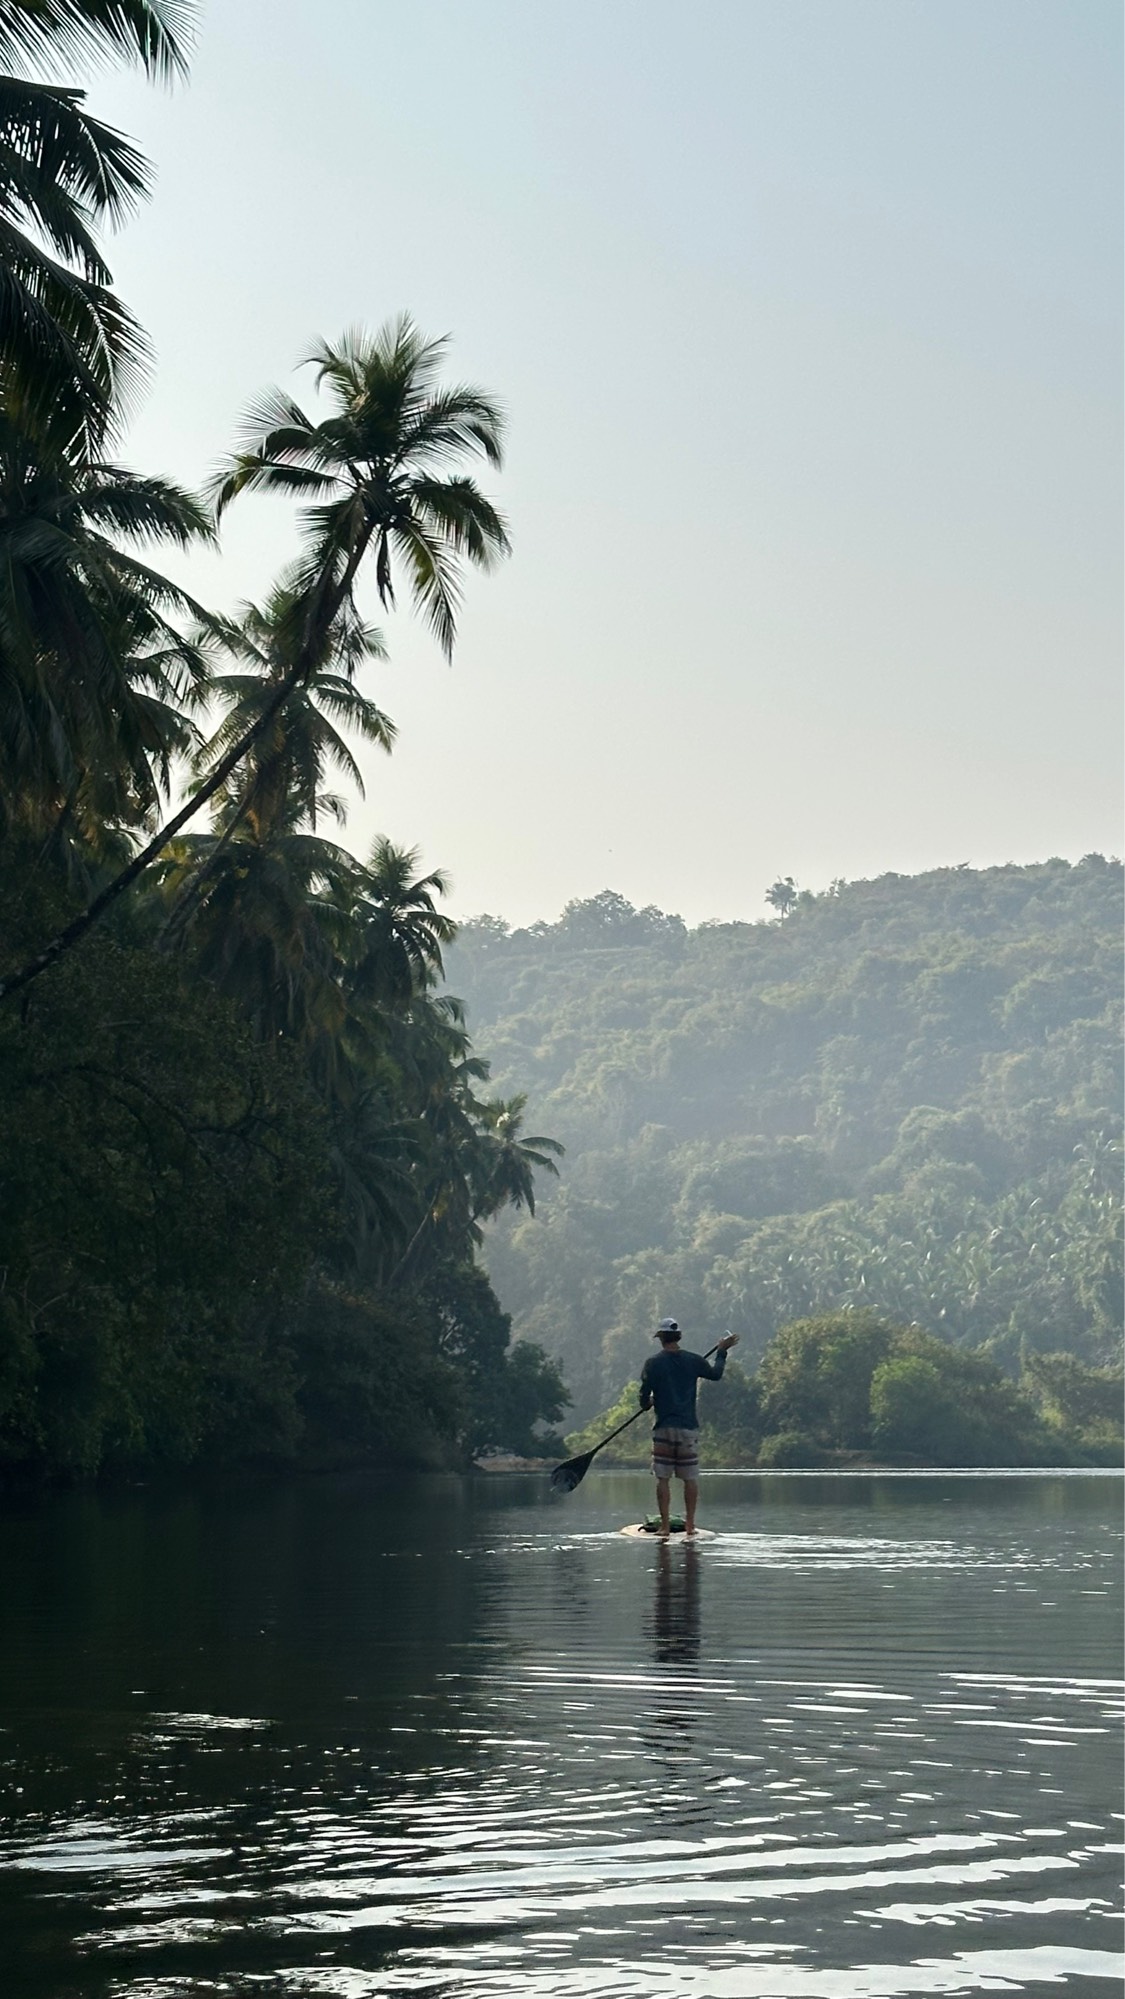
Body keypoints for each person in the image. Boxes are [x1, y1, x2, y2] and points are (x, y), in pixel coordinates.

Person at [639, 1318, 739, 1537]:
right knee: (690, 1478)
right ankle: (690, 1526)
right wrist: (722, 1351)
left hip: (664, 1427)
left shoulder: (652, 1364)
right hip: (688, 1428)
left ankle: (664, 1528)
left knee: (662, 1478)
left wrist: (648, 1403)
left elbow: (643, 1397)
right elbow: (716, 1374)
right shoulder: (693, 1361)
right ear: (679, 1337)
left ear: (661, 1339)